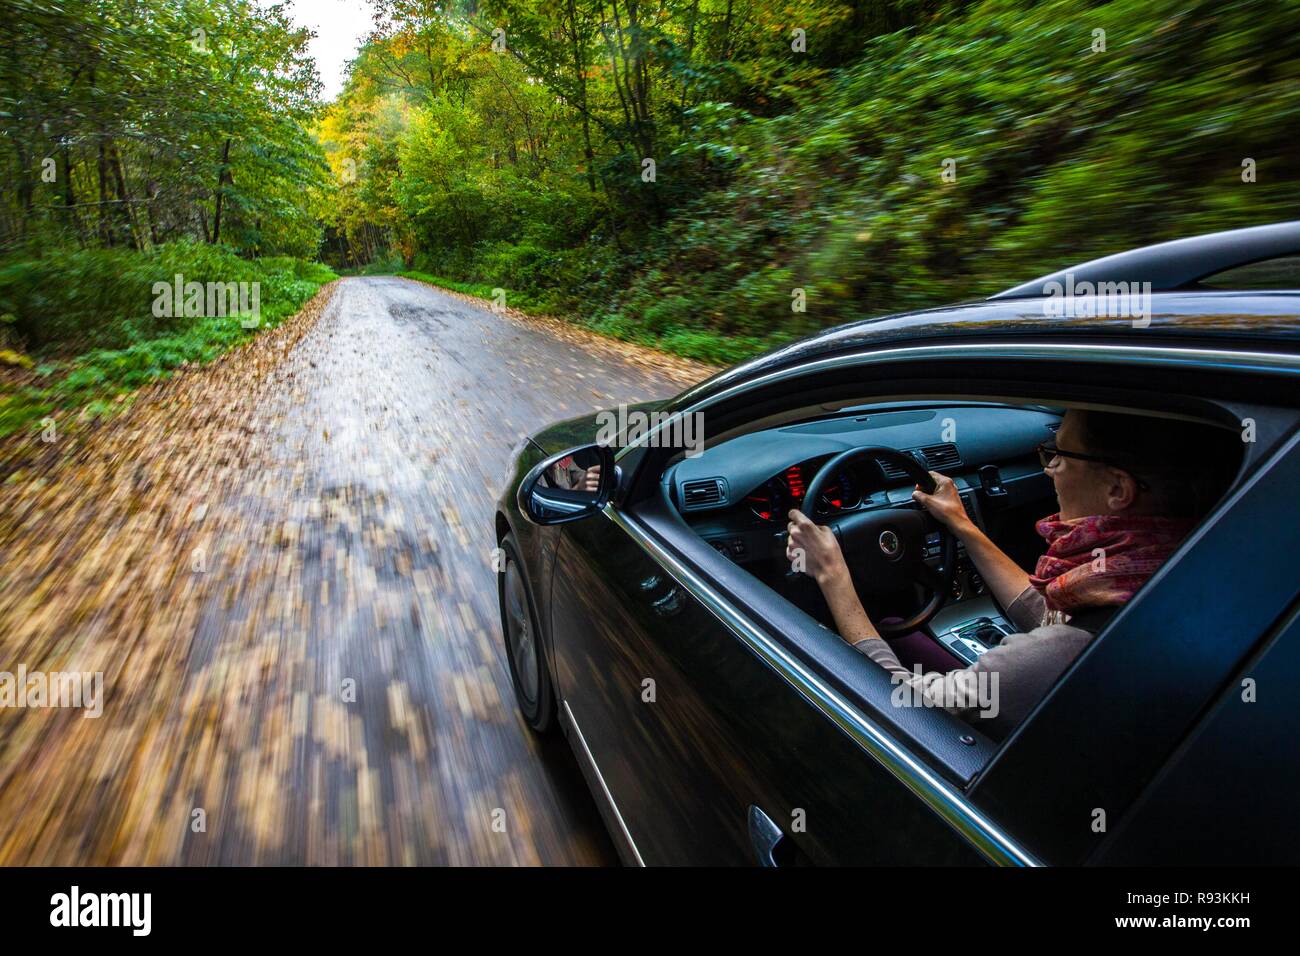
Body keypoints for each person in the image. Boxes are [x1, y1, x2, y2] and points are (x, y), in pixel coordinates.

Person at [785, 408, 1238, 735]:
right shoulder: (1177, 566)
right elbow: (1052, 612)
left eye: (1059, 454)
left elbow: (896, 701)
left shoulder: (1052, 659)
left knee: (887, 633)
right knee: (894, 629)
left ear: (1118, 488)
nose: (1051, 469)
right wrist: (961, 525)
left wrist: (833, 577)